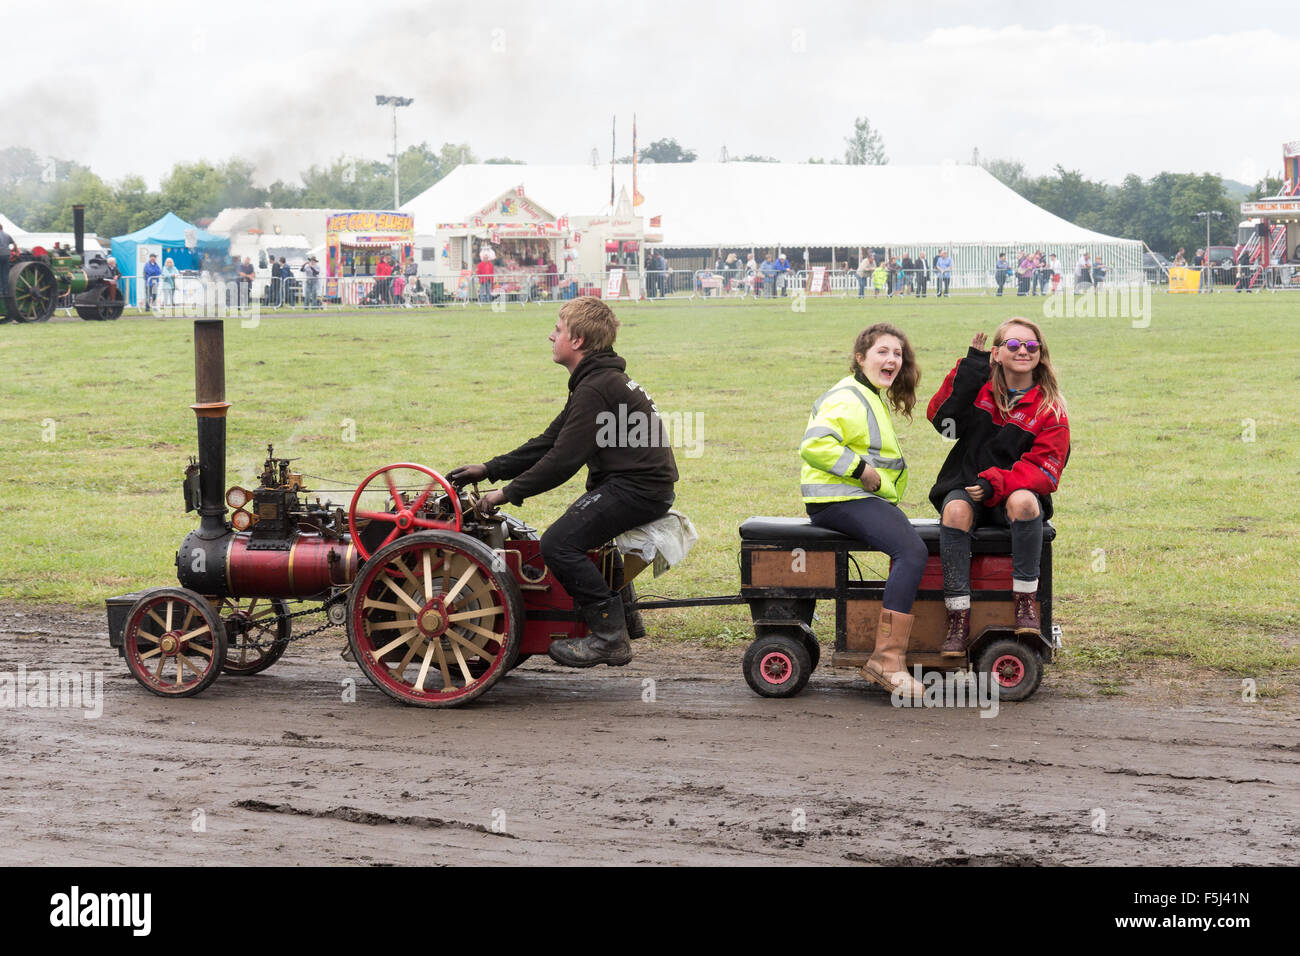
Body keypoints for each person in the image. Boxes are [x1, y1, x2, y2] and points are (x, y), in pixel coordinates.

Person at [446, 297, 678, 668]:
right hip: (639, 485)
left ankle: (609, 638)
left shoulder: (597, 387)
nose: (550, 336)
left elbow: (562, 461)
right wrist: (489, 468)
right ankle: (619, 621)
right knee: (577, 537)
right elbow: (549, 442)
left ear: (578, 341)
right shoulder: (597, 381)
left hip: (637, 489)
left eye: (558, 330)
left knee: (559, 544)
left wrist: (504, 494)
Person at [926, 319, 1070, 656]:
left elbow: (1046, 470)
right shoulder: (979, 385)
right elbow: (943, 423)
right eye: (1014, 345)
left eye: (1031, 346)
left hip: (1011, 492)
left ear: (1041, 354)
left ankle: (1025, 605)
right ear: (997, 352)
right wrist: (972, 368)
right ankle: (957, 618)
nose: (1023, 351)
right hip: (968, 486)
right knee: (955, 509)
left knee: (1025, 502)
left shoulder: (1050, 407)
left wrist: (997, 483)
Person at [801, 323, 926, 698]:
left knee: (909, 545)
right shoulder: (849, 395)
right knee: (911, 551)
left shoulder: (869, 394)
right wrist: (862, 471)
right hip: (838, 498)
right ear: (861, 358)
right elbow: (815, 444)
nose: (892, 359)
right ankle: (887, 661)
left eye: (898, 354)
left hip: (855, 498)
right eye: (883, 352)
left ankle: (888, 656)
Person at [0, 222, 19, 302]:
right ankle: (5, 291)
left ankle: (1, 291)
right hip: (7, 255)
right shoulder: (7, 235)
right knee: (5, 273)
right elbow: (15, 244)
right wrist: (13, 250)